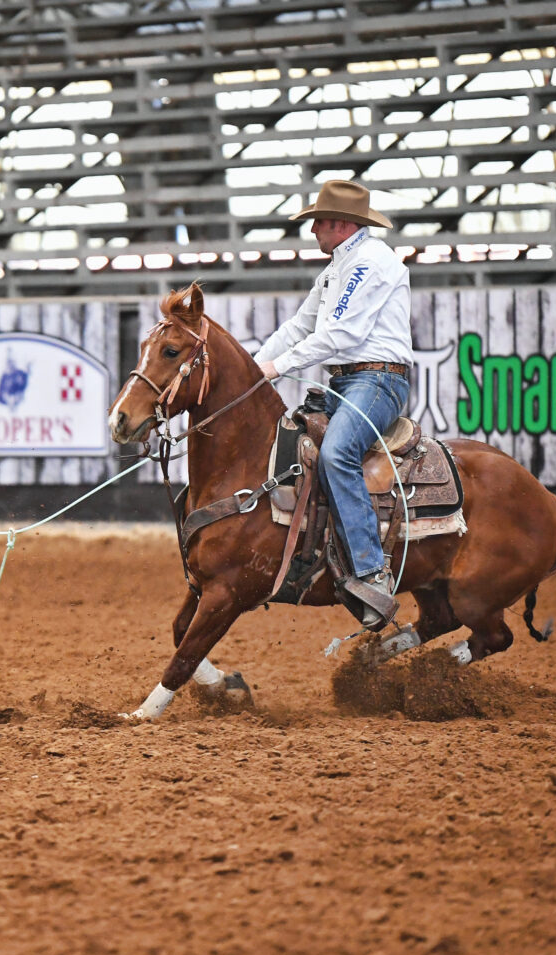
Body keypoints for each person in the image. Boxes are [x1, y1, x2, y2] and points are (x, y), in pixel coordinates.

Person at [253, 179, 412, 631]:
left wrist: (277, 367)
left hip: (378, 380)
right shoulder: (336, 269)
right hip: (348, 382)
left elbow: (342, 334)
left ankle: (372, 571)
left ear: (341, 224)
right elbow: (298, 326)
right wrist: (253, 367)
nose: (313, 230)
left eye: (319, 221)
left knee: (337, 452)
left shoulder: (371, 262)